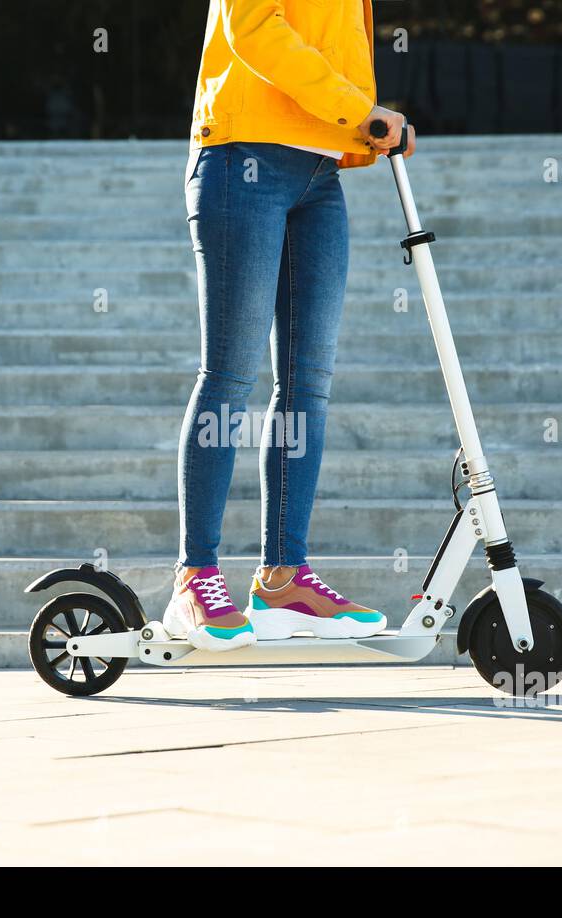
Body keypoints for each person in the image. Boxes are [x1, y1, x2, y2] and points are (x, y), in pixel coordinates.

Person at [163, 1, 417, 651]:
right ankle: (195, 576)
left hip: (318, 172)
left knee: (308, 381)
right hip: (243, 158)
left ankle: (283, 577)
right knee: (230, 373)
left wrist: (362, 125)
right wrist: (357, 110)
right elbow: (253, 28)